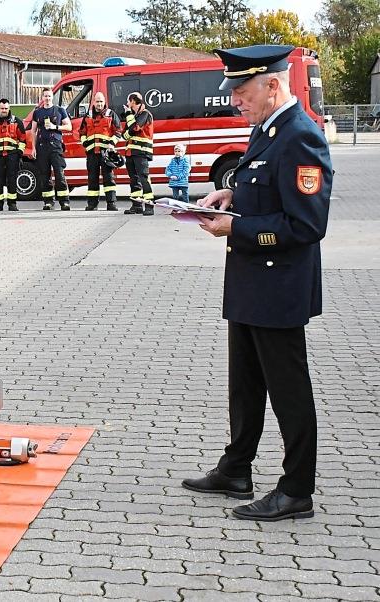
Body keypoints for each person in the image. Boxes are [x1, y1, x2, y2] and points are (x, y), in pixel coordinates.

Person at [182, 45, 332, 522]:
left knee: (288, 388)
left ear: (273, 85)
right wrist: (233, 193)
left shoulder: (300, 136)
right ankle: (236, 469)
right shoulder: (268, 131)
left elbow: (306, 226)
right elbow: (267, 191)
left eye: (242, 92)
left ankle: (296, 490)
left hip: (279, 287)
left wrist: (237, 228)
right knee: (244, 385)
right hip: (251, 283)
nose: (235, 102)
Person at [28, 88, 71, 211]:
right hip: (42, 147)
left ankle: (64, 202)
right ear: (42, 98)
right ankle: (48, 202)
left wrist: (55, 126)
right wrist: (33, 148)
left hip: (55, 146)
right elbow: (33, 131)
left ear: (53, 97)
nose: (47, 98)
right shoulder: (38, 112)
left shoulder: (60, 110)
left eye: (49, 96)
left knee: (59, 173)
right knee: (44, 175)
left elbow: (69, 127)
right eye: (45, 96)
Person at [78, 92, 121, 211]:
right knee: (92, 179)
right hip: (92, 153)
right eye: (97, 101)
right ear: (93, 102)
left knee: (109, 178)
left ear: (105, 102)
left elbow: (118, 132)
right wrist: (85, 143)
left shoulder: (111, 114)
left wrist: (111, 143)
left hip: (106, 153)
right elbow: (81, 132)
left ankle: (111, 203)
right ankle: (92, 204)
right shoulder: (88, 116)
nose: (99, 104)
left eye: (101, 101)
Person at [121, 92, 155, 216]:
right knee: (134, 179)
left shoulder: (145, 114)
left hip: (141, 151)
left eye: (128, 101)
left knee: (143, 178)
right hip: (130, 152)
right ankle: (137, 205)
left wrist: (129, 115)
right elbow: (125, 134)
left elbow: (134, 128)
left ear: (133, 101)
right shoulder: (135, 116)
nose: (127, 104)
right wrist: (129, 130)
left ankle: (149, 205)